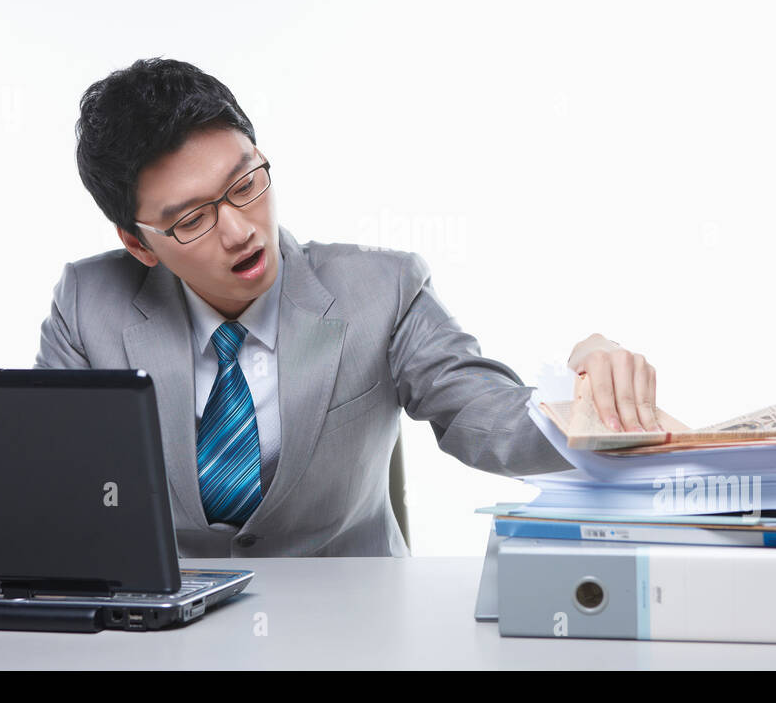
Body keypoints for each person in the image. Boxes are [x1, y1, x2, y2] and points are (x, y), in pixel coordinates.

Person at [35, 57, 675, 557]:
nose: (239, 230)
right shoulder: (90, 305)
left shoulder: (383, 288)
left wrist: (577, 398)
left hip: (356, 631)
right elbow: (53, 483)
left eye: (246, 184)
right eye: (193, 219)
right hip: (161, 643)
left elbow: (485, 416)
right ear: (137, 243)